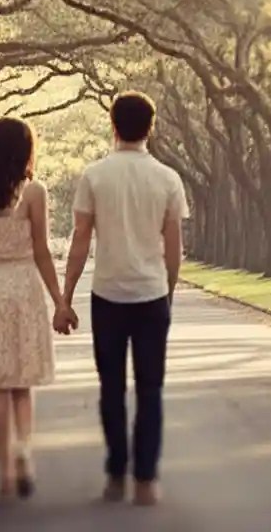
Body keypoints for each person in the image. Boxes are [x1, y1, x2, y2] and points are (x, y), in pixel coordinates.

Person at [61, 91, 188, 506]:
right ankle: (146, 481)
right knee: (151, 389)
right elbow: (174, 247)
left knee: (111, 387)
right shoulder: (168, 179)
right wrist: (167, 291)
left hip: (108, 296)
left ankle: (117, 474)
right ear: (151, 128)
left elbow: (80, 240)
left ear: (113, 125)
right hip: (151, 295)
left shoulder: (95, 176)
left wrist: (66, 297)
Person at [0, 117, 77, 500]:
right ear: (25, 152)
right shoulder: (33, 193)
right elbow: (42, 250)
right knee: (21, 382)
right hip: (24, 286)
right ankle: (25, 448)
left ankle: (5, 473)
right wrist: (59, 299)